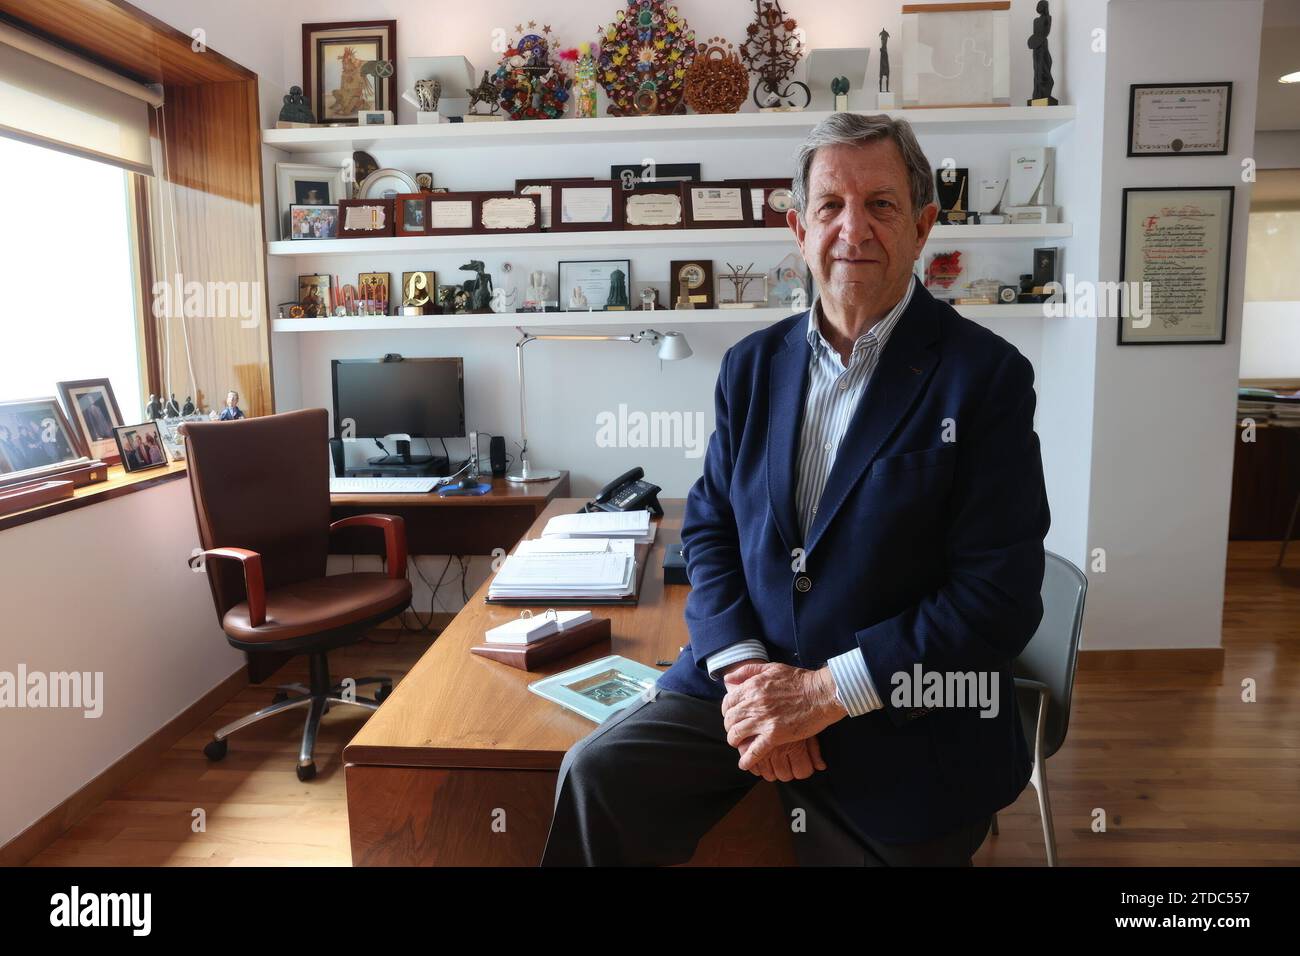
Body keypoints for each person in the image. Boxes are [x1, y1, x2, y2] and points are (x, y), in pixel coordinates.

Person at [542, 113, 1051, 867]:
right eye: (830, 205)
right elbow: (709, 530)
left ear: (923, 225)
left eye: (881, 204)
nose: (855, 228)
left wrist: (820, 696)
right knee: (597, 774)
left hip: (898, 702)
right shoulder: (752, 367)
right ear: (798, 227)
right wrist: (751, 676)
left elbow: (998, 596)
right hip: (746, 682)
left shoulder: (985, 378)